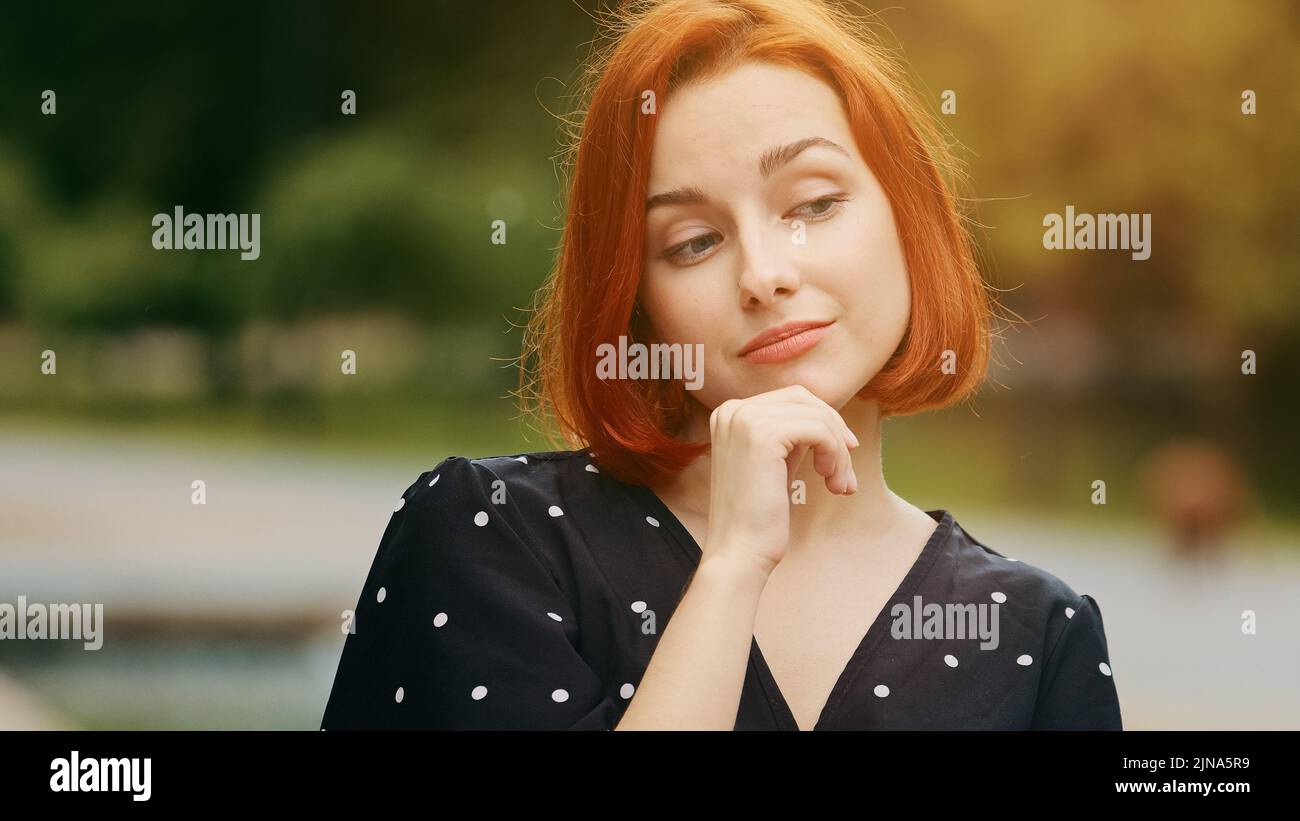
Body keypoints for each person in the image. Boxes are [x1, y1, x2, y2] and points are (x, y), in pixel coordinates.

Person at [320, 0, 1122, 731]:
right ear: (638, 301)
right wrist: (733, 565)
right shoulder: (487, 534)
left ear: (909, 217)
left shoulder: (1037, 632)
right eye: (693, 242)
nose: (763, 273)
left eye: (814, 204)